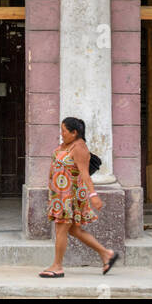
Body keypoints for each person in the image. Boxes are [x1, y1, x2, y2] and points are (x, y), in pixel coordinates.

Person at [40, 117, 118, 277]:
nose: (61, 134)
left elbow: (85, 175)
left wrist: (94, 195)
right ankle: (106, 254)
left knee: (61, 229)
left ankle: (57, 266)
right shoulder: (67, 145)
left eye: (64, 130)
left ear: (74, 133)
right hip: (59, 194)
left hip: (69, 196)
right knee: (75, 230)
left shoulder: (80, 148)